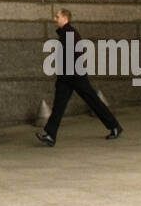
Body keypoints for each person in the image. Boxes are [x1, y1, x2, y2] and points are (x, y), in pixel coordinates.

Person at [35, 8, 123, 146]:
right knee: (59, 105)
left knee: (93, 101)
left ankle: (115, 126)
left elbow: (76, 54)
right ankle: (51, 135)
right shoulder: (66, 33)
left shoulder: (69, 33)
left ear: (65, 18)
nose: (54, 19)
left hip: (74, 76)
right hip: (68, 76)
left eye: (57, 16)